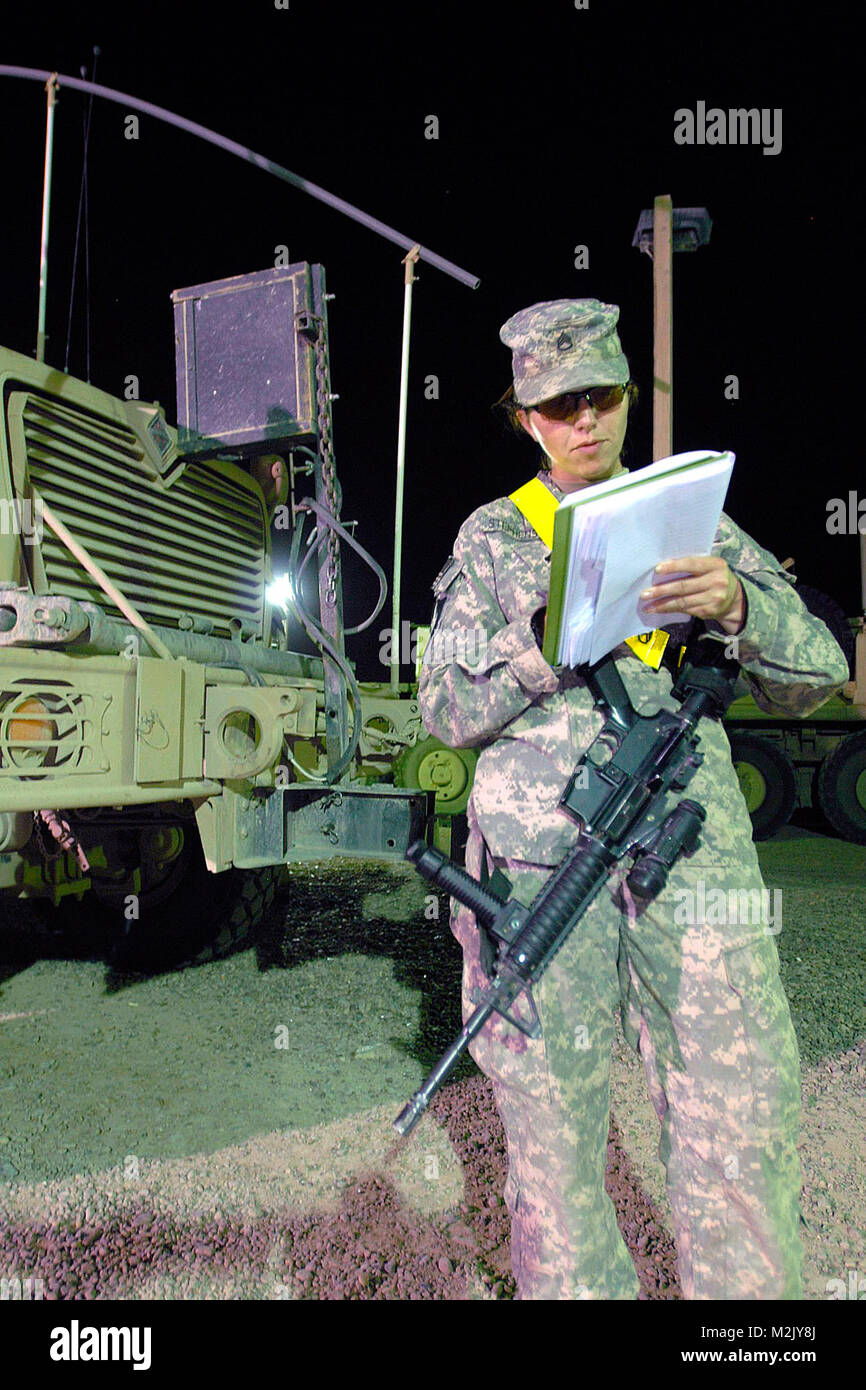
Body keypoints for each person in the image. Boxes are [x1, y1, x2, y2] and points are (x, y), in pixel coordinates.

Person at [417, 298, 850, 1301]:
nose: (584, 422)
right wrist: (538, 639)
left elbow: (816, 668)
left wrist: (737, 605)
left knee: (737, 1102)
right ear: (525, 417)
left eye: (601, 397)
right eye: (558, 405)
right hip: (540, 867)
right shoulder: (490, 537)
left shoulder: (684, 516)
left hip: (686, 849)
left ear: (625, 396)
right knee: (553, 1126)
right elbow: (442, 707)